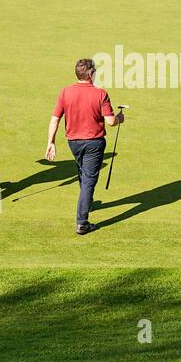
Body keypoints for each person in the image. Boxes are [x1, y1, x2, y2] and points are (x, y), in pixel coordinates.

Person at [45, 58, 125, 235]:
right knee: (89, 180)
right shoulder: (100, 94)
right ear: (90, 74)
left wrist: (51, 142)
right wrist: (121, 118)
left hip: (73, 142)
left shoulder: (65, 92)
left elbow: (55, 119)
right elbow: (111, 122)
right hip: (94, 143)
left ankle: (86, 202)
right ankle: (82, 222)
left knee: (82, 172)